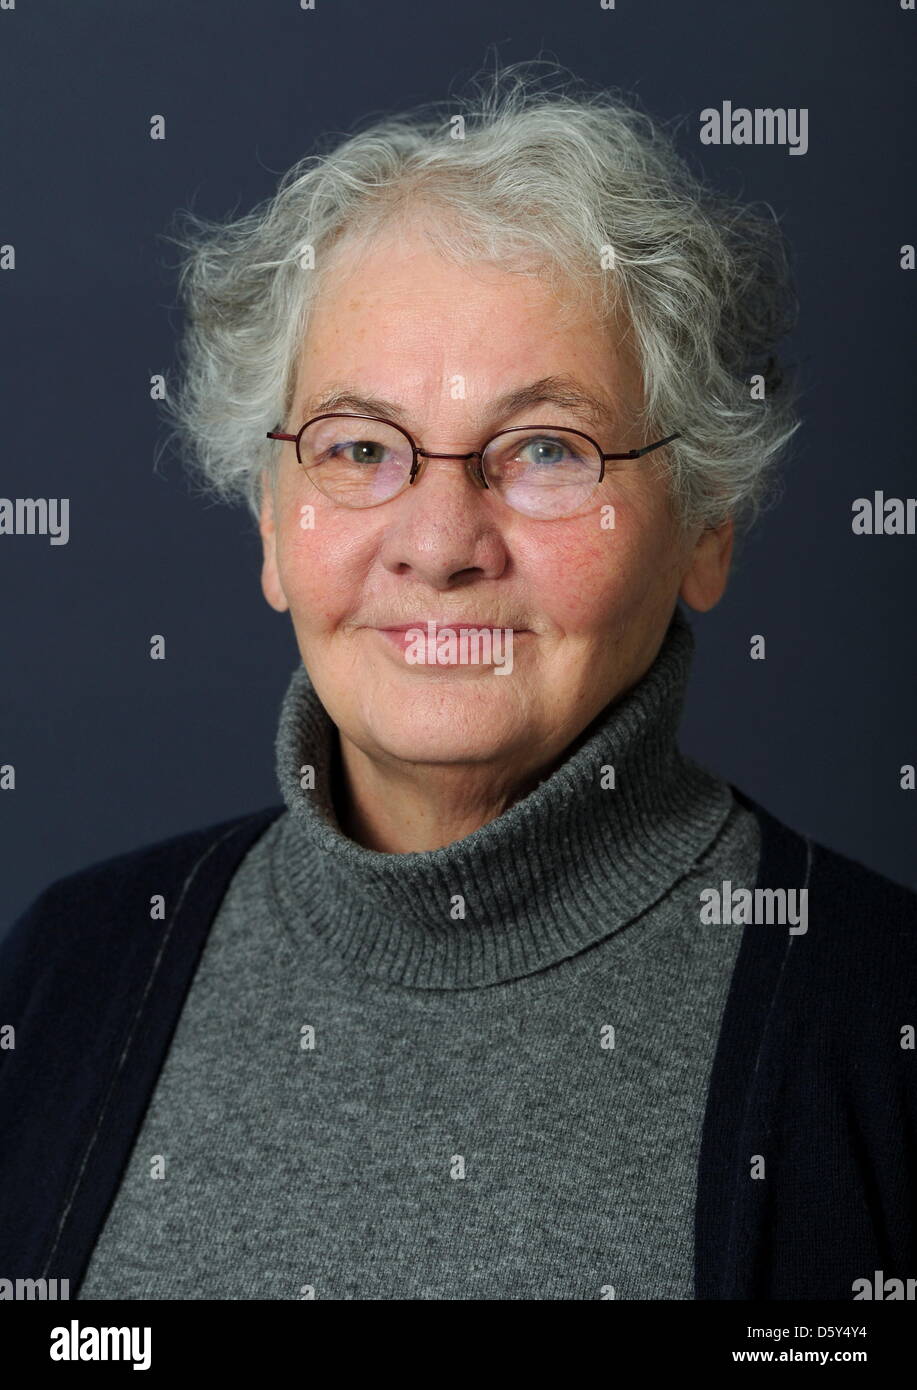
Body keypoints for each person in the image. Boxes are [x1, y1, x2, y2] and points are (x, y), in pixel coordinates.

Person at [1, 62, 915, 1301]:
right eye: (359, 447)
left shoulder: (876, 1021)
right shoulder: (74, 965)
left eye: (544, 448)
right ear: (271, 521)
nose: (439, 543)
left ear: (706, 522)